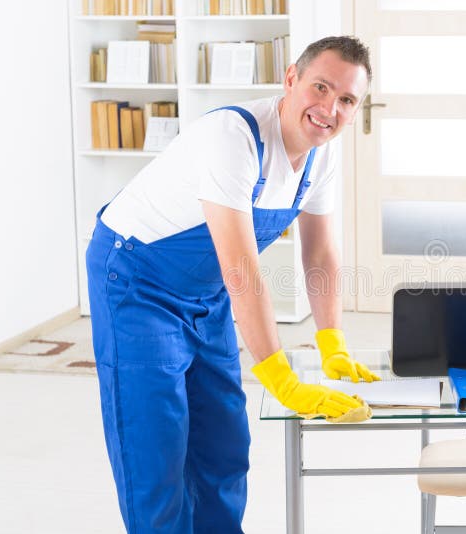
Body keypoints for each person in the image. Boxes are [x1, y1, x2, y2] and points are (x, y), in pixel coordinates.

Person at [85, 36, 379, 533]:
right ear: (291, 78)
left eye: (347, 99)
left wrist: (332, 342)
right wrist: (282, 380)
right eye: (320, 87)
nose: (329, 109)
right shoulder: (234, 138)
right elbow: (241, 269)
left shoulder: (322, 157)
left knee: (224, 446)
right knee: (156, 448)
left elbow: (320, 253)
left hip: (206, 292)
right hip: (136, 283)